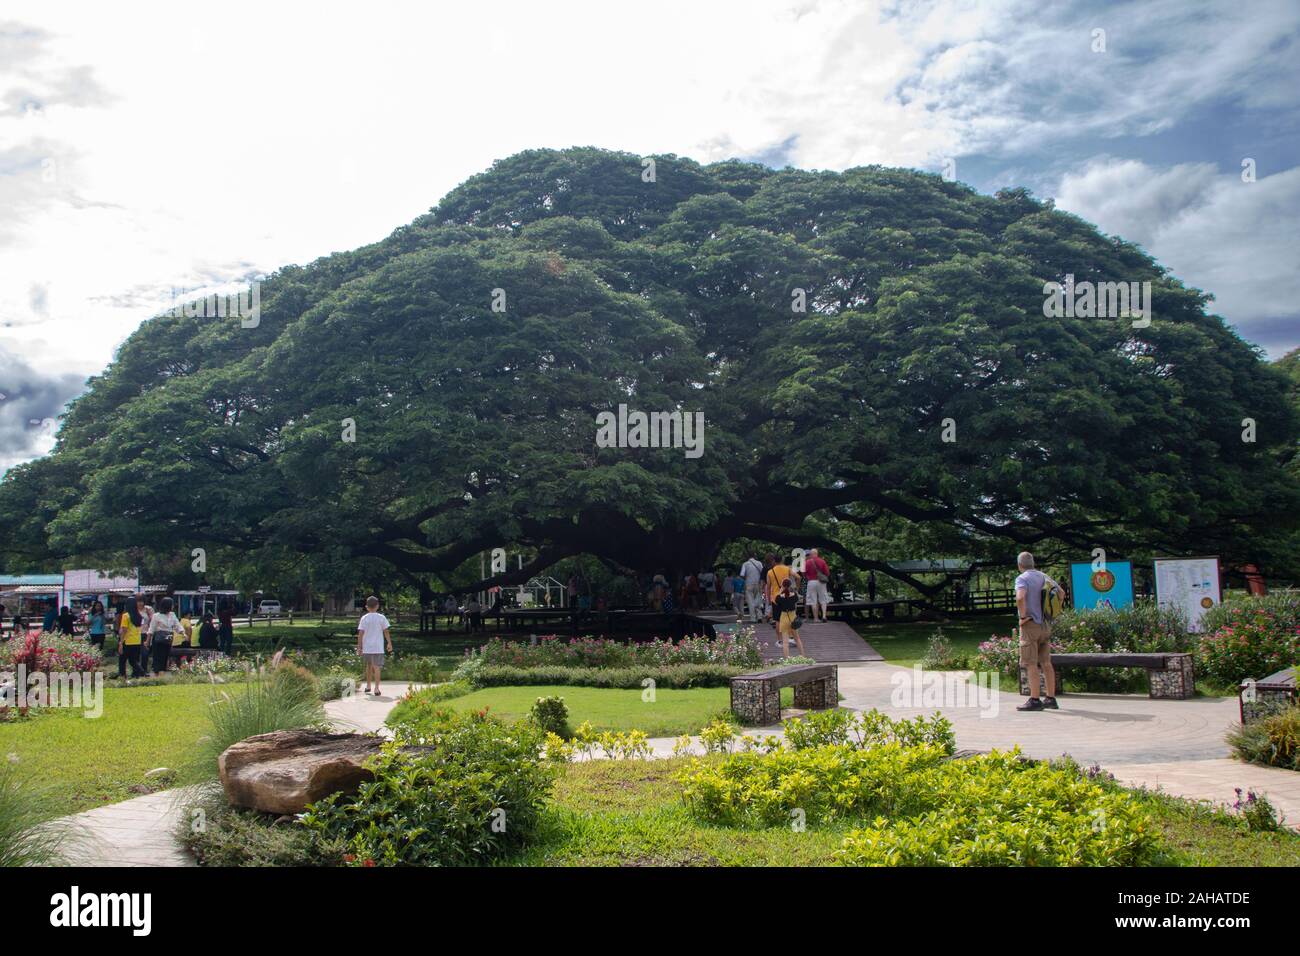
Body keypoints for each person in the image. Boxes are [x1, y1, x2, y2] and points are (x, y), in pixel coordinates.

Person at [1015, 552, 1064, 712]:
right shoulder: (1045, 576)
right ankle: (1051, 698)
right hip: (1045, 624)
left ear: (1019, 565)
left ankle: (1035, 699)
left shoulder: (1022, 579)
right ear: (1033, 563)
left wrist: (1023, 616)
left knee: (1030, 663)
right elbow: (1061, 593)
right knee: (1046, 662)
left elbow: (1020, 598)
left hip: (1030, 625)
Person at [356, 595, 392, 696]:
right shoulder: (381, 617)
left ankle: (368, 686)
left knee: (369, 666)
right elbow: (386, 631)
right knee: (377, 667)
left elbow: (360, 634)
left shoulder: (364, 618)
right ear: (377, 606)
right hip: (378, 647)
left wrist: (359, 647)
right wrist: (389, 643)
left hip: (367, 647)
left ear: (367, 607)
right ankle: (376, 688)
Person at [146, 598, 185, 674]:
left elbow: (177, 625)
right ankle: (157, 673)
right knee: (158, 657)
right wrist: (147, 641)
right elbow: (151, 629)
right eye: (172, 605)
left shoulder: (172, 615)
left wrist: (183, 633)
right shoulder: (156, 616)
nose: (173, 606)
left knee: (165, 656)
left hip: (168, 639)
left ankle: (162, 672)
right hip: (158, 639)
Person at [772, 577, 806, 658]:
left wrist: (780, 592)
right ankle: (802, 655)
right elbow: (795, 600)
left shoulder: (779, 598)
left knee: (785, 642)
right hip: (793, 618)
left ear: (782, 586)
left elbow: (776, 602)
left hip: (784, 619)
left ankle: (787, 658)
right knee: (797, 639)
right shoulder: (794, 596)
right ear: (790, 585)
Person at [116, 597, 145, 678]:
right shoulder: (140, 616)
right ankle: (141, 673)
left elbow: (124, 630)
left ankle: (122, 676)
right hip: (137, 641)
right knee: (133, 661)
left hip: (127, 640)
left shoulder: (126, 616)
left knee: (122, 659)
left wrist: (121, 642)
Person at [803, 548, 831, 622]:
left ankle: (816, 618)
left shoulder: (807, 562)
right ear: (817, 554)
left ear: (811, 554)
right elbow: (827, 573)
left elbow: (804, 573)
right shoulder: (822, 561)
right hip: (821, 582)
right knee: (823, 599)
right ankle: (824, 616)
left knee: (813, 600)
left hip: (811, 582)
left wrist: (808, 577)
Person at [765, 553, 793, 623]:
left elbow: (768, 587)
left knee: (777, 618)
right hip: (785, 594)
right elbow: (798, 577)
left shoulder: (770, 571)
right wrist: (796, 588)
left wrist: (768, 599)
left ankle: (774, 620)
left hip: (775, 596)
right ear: (782, 560)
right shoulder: (787, 569)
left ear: (774, 560)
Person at [740, 554, 765, 623]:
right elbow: (763, 573)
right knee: (758, 600)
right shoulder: (759, 563)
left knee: (750, 601)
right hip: (758, 584)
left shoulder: (745, 564)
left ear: (748, 557)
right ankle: (759, 617)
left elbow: (742, 574)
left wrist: (745, 579)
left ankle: (753, 618)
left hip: (748, 584)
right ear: (755, 556)